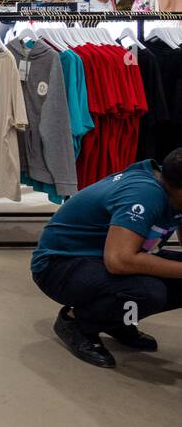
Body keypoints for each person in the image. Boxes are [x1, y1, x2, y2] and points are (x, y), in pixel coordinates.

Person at [31, 151, 182, 368]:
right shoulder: (145, 194)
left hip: (102, 256)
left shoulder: (173, 189)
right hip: (58, 265)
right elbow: (119, 260)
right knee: (149, 292)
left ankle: (115, 319)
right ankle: (77, 323)